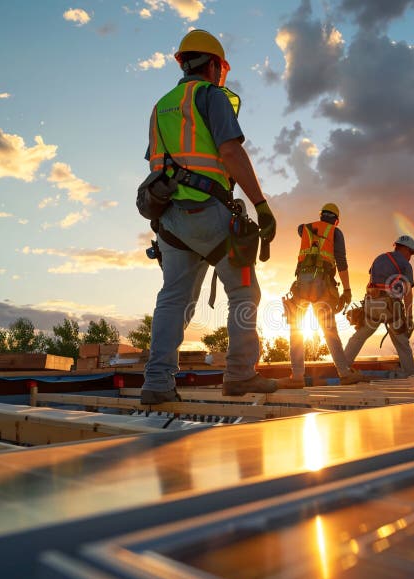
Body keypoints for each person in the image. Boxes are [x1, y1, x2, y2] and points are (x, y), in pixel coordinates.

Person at [141, 30, 278, 403]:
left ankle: (156, 384)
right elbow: (230, 152)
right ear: (214, 65)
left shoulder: (161, 106)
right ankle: (239, 374)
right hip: (207, 211)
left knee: (174, 299)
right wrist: (261, 205)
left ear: (184, 63)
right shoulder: (210, 96)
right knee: (245, 290)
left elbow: (157, 161)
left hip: (169, 220)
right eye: (222, 69)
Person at [281, 203, 364, 388]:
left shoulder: (305, 229)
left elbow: (299, 229)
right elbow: (341, 262)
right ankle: (344, 373)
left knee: (296, 329)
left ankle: (296, 376)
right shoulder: (336, 232)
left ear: (320, 216)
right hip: (322, 283)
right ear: (336, 220)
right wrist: (348, 290)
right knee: (329, 330)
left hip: (301, 284)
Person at [344, 235, 414, 377]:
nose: (410, 257)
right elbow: (408, 293)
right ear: (405, 249)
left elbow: (369, 284)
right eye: (410, 253)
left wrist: (369, 306)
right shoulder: (405, 265)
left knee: (358, 337)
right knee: (401, 341)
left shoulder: (379, 259)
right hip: (390, 307)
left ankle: (342, 368)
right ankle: (410, 375)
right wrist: (409, 317)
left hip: (371, 303)